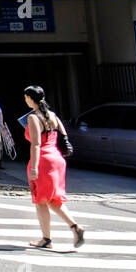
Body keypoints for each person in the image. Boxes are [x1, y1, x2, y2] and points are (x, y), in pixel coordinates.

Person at [23, 85, 84, 250]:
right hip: (56, 158)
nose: (25, 100)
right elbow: (63, 135)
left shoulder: (33, 118)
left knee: (41, 201)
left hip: (43, 160)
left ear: (30, 98)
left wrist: (34, 167)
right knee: (52, 199)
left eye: (26, 97)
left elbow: (35, 144)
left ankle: (46, 238)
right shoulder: (52, 115)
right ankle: (74, 227)